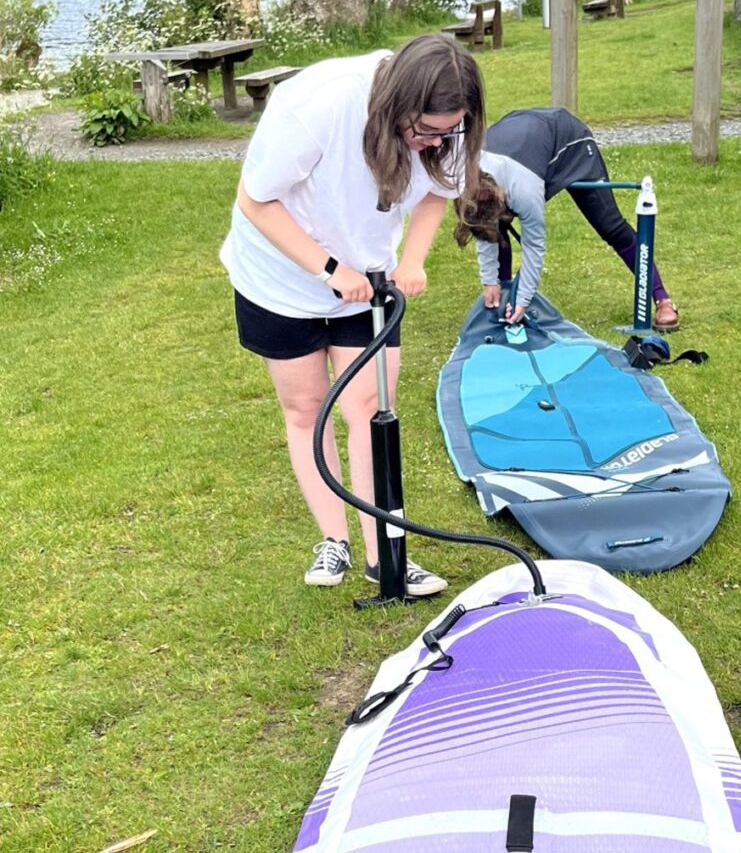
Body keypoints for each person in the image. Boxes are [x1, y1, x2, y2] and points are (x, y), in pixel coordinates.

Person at [222, 32, 485, 590]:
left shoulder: (448, 124)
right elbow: (255, 200)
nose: (435, 143)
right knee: (306, 408)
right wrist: (328, 270)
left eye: (448, 132)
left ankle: (382, 555)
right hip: (278, 277)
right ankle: (333, 541)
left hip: (367, 280)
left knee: (368, 407)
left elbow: (437, 192)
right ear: (397, 103)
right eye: (425, 130)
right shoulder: (319, 104)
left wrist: (411, 260)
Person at [453, 105, 680, 329]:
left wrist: (523, 300)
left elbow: (534, 246)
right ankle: (504, 297)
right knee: (494, 226)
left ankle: (662, 299)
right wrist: (490, 282)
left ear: (502, 196)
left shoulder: (524, 191)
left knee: (611, 227)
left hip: (570, 143)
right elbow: (484, 230)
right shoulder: (468, 178)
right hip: (526, 142)